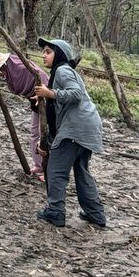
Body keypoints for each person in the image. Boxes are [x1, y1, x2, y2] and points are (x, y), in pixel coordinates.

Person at [34, 37, 106, 228]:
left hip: (76, 128)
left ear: (59, 55)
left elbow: (75, 94)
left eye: (48, 52)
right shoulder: (63, 72)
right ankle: (95, 213)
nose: (44, 55)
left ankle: (55, 211)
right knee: (81, 170)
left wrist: (51, 94)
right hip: (88, 125)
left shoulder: (63, 70)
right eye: (44, 51)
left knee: (56, 169)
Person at [0, 49, 49, 182]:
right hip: (34, 101)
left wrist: (41, 94)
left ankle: (49, 170)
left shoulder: (19, 65)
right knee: (34, 132)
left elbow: (40, 75)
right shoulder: (10, 71)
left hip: (44, 98)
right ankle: (38, 165)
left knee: (45, 134)